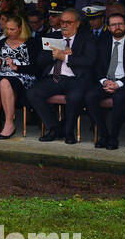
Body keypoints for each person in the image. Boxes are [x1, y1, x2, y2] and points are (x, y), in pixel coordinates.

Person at [29, 8, 95, 143]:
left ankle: (69, 131)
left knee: (75, 97)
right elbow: (40, 60)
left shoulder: (86, 37)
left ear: (77, 23)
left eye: (69, 22)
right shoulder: (53, 37)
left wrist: (66, 58)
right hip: (54, 77)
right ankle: (54, 128)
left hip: (75, 79)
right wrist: (56, 55)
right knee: (33, 93)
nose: (64, 25)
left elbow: (89, 61)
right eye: (62, 22)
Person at [88, 10, 125, 150]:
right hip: (106, 81)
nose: (117, 27)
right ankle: (103, 134)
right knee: (90, 96)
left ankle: (113, 137)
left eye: (120, 24)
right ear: (109, 27)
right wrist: (104, 81)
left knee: (119, 98)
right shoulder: (103, 42)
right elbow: (97, 66)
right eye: (113, 25)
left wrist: (118, 84)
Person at [0, 14, 39, 138]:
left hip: (24, 75)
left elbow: (36, 67)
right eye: (7, 29)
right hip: (3, 73)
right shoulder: (2, 42)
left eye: (12, 29)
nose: (9, 32)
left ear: (20, 28)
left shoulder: (30, 42)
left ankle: (9, 123)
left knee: (5, 82)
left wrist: (17, 67)